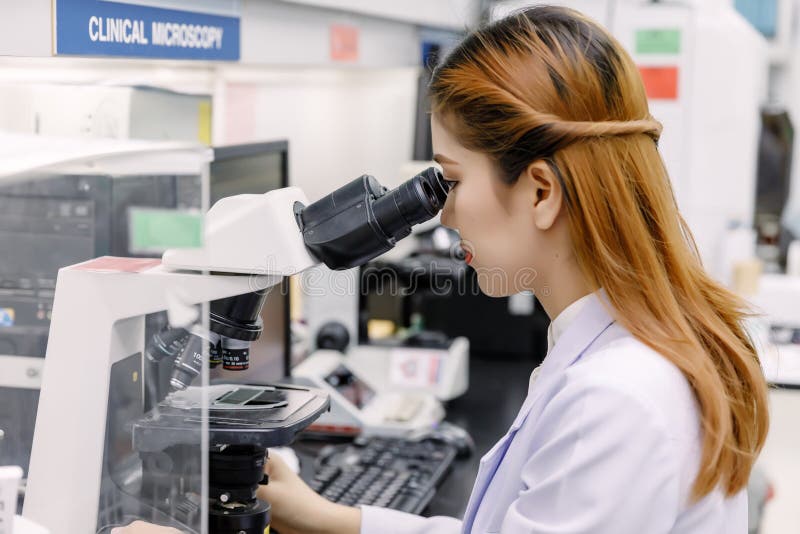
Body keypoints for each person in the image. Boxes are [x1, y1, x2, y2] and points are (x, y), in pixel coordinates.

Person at [115, 5, 769, 534]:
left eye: (449, 180)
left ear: (541, 192)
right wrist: (333, 520)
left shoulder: (616, 401)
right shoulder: (629, 347)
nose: (443, 213)